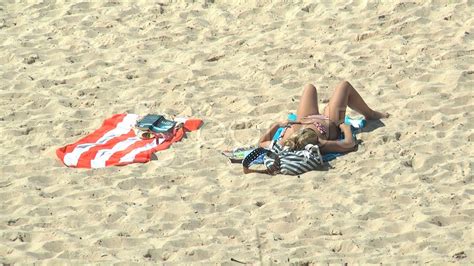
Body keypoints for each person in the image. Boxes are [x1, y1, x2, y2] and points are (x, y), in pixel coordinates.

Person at [258, 81, 389, 154]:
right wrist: (345, 127)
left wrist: (277, 125)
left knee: (310, 87)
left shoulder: (283, 143)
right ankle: (370, 114)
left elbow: (261, 143)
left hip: (305, 117)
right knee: (344, 86)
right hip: (330, 120)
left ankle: (327, 108)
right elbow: (349, 144)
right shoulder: (320, 144)